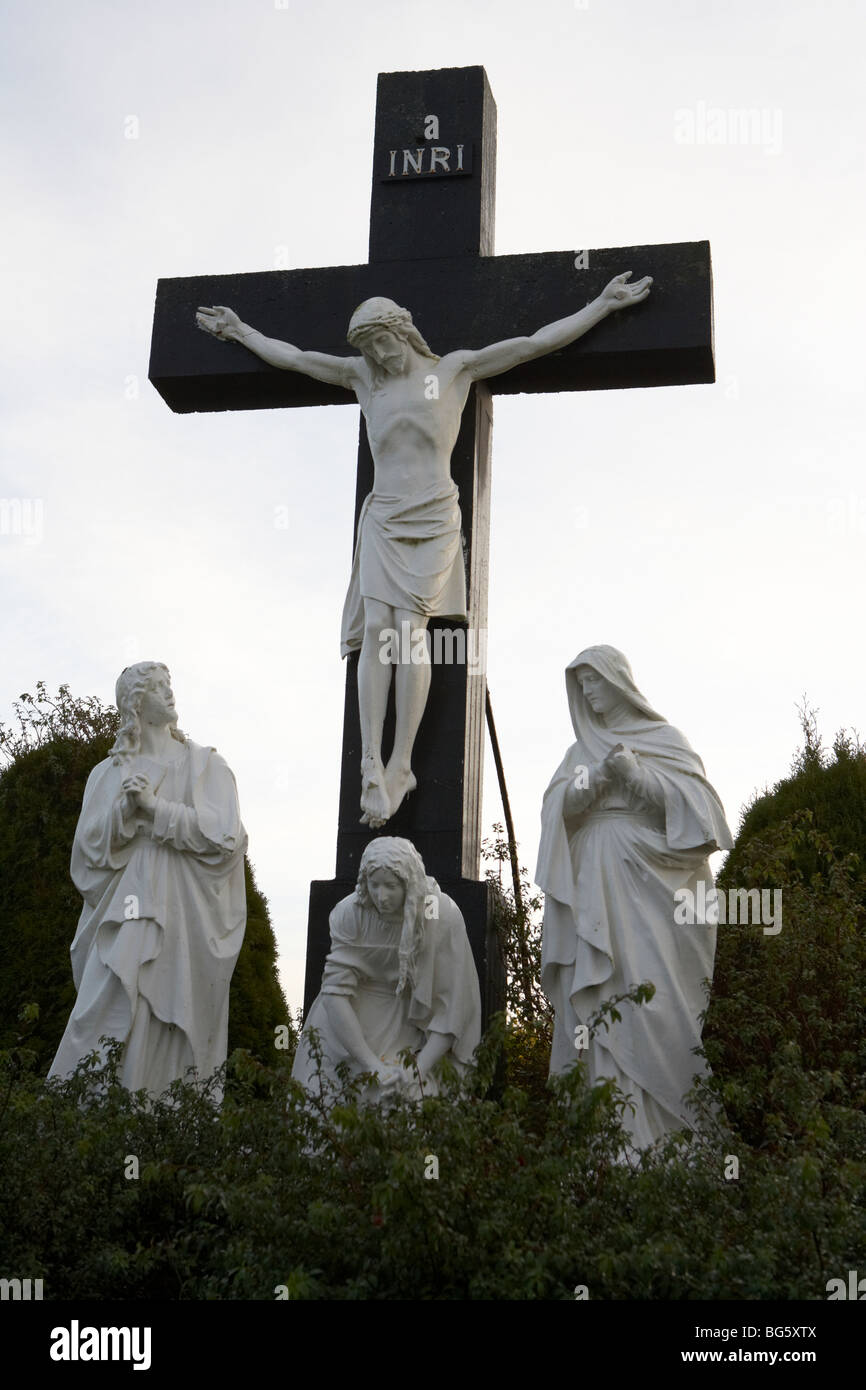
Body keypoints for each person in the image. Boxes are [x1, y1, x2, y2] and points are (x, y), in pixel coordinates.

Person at [196, 274, 652, 827]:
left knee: (410, 632)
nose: (377, 356)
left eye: (382, 344)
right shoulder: (362, 378)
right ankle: (370, 757)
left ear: (403, 331)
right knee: (377, 633)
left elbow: (535, 344)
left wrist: (600, 306)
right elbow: (293, 359)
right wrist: (241, 331)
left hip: (432, 514)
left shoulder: (452, 370)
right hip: (384, 515)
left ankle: (402, 764)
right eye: (367, 350)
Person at [535, 645, 733, 1149]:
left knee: (654, 995)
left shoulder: (665, 740)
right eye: (581, 688)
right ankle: (609, 1138)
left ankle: (668, 1135)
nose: (589, 696)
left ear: (618, 681)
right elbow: (560, 810)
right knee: (599, 997)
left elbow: (701, 816)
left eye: (595, 683)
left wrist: (637, 777)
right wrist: (599, 777)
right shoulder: (578, 753)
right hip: (593, 886)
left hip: (653, 892)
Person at [48, 662, 247, 1098]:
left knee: (169, 1008)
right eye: (157, 688)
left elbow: (227, 836)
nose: (169, 693)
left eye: (169, 684)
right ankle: (89, 1107)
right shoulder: (108, 773)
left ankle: (160, 1112)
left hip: (186, 909)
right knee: (112, 990)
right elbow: (87, 852)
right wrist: (124, 811)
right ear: (136, 705)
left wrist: (155, 809)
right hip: (130, 901)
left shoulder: (205, 765)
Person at [292, 836, 481, 1102]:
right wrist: (372, 1065)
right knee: (327, 1103)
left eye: (391, 886)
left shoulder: (438, 915)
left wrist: (416, 1070)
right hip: (347, 1026)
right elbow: (335, 994)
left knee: (410, 1104)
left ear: (410, 884)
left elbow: (451, 1010)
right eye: (374, 885)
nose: (381, 897)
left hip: (410, 1022)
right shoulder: (350, 914)